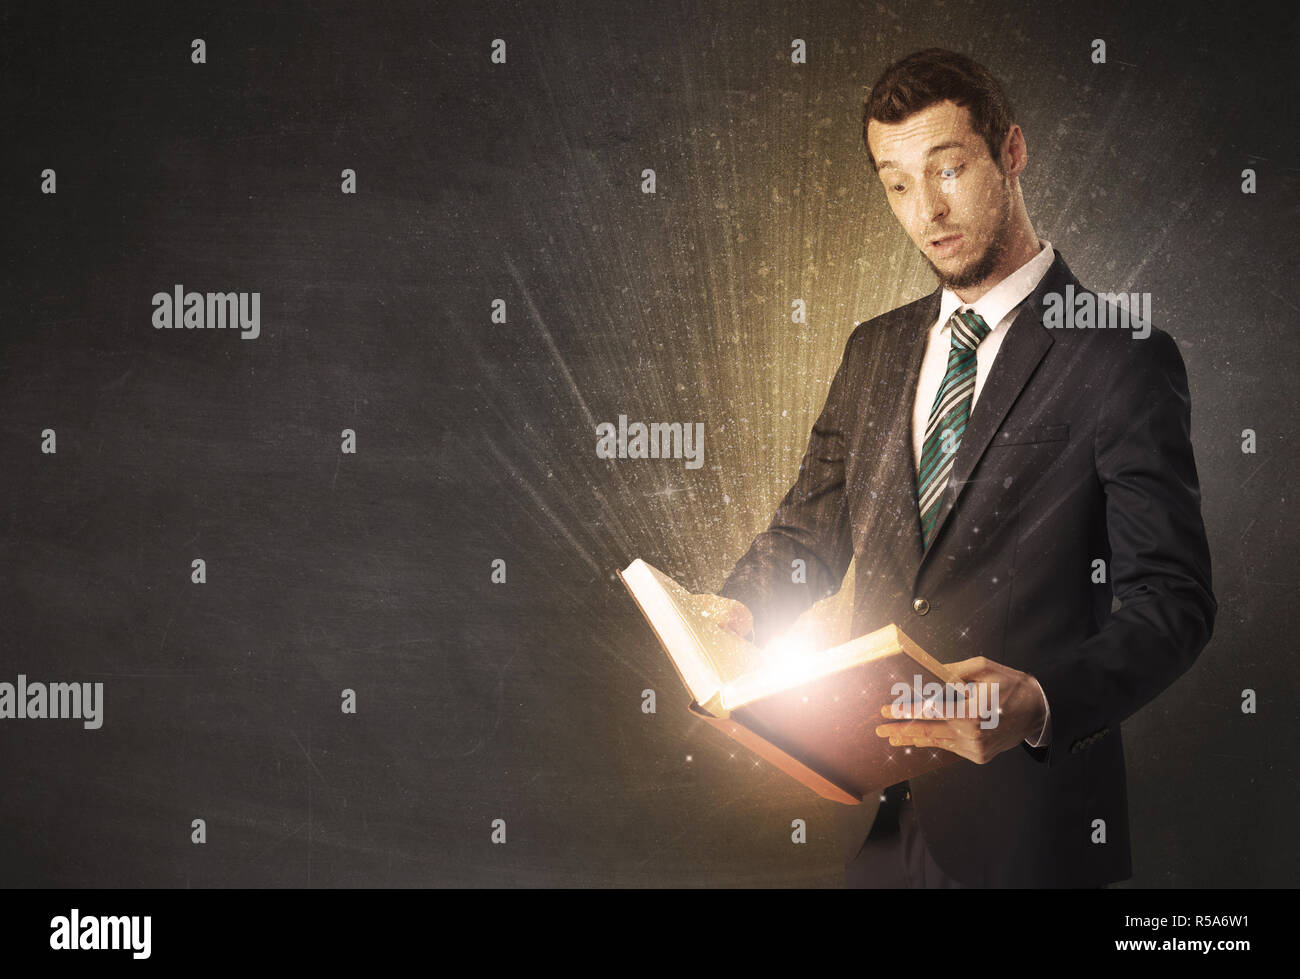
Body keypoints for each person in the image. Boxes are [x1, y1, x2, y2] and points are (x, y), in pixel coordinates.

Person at [703, 48, 1216, 887]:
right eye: (897, 183)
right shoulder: (873, 351)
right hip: (878, 820)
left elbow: (1174, 602)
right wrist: (735, 611)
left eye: (950, 168)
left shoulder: (1122, 358)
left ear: (1010, 152)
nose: (926, 210)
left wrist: (1040, 701)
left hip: (1035, 835)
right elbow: (809, 533)